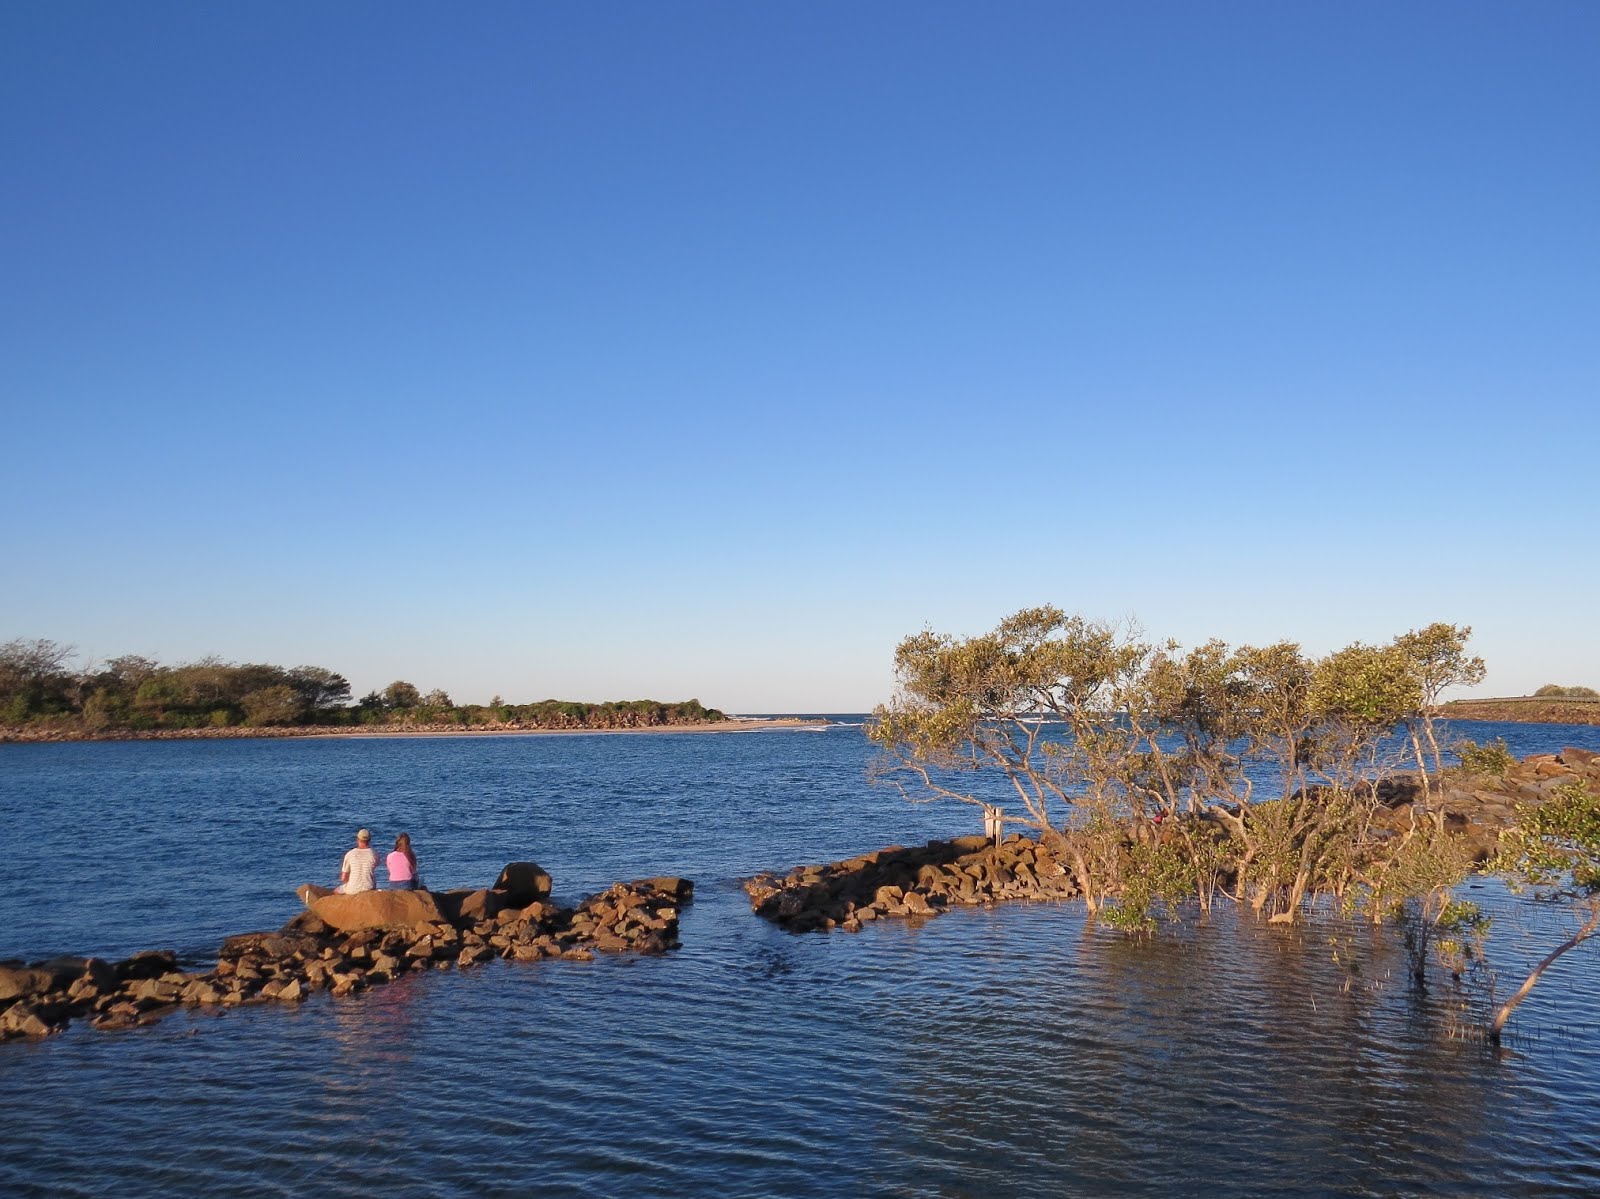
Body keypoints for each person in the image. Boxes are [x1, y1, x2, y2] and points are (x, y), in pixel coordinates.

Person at [339, 828, 379, 894]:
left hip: (352, 889)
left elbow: (343, 878)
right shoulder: (374, 853)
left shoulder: (350, 854)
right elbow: (374, 866)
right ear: (369, 840)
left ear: (357, 839)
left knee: (336, 891)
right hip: (368, 887)